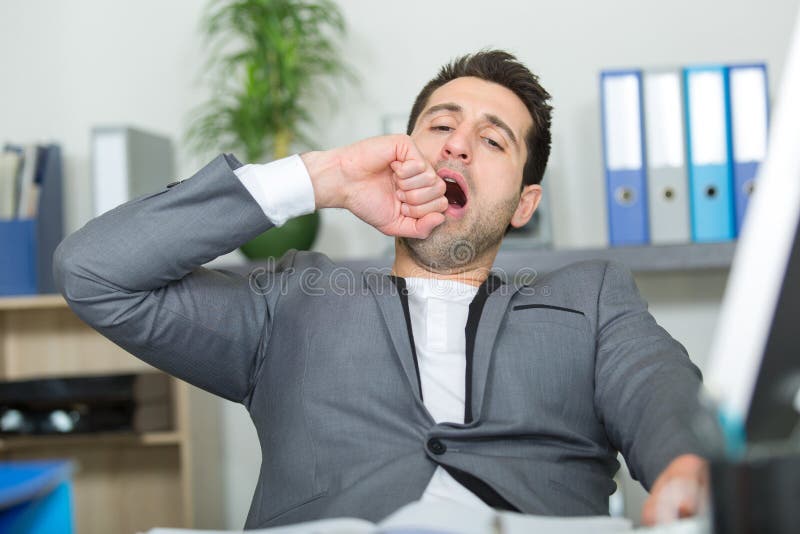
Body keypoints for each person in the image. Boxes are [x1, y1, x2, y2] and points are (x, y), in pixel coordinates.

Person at [53, 50, 708, 528]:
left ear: (524, 203)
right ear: (404, 151)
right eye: (440, 126)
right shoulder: (291, 298)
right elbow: (95, 274)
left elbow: (660, 393)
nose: (457, 146)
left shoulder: (590, 298)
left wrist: (686, 469)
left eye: (492, 140)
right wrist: (322, 177)